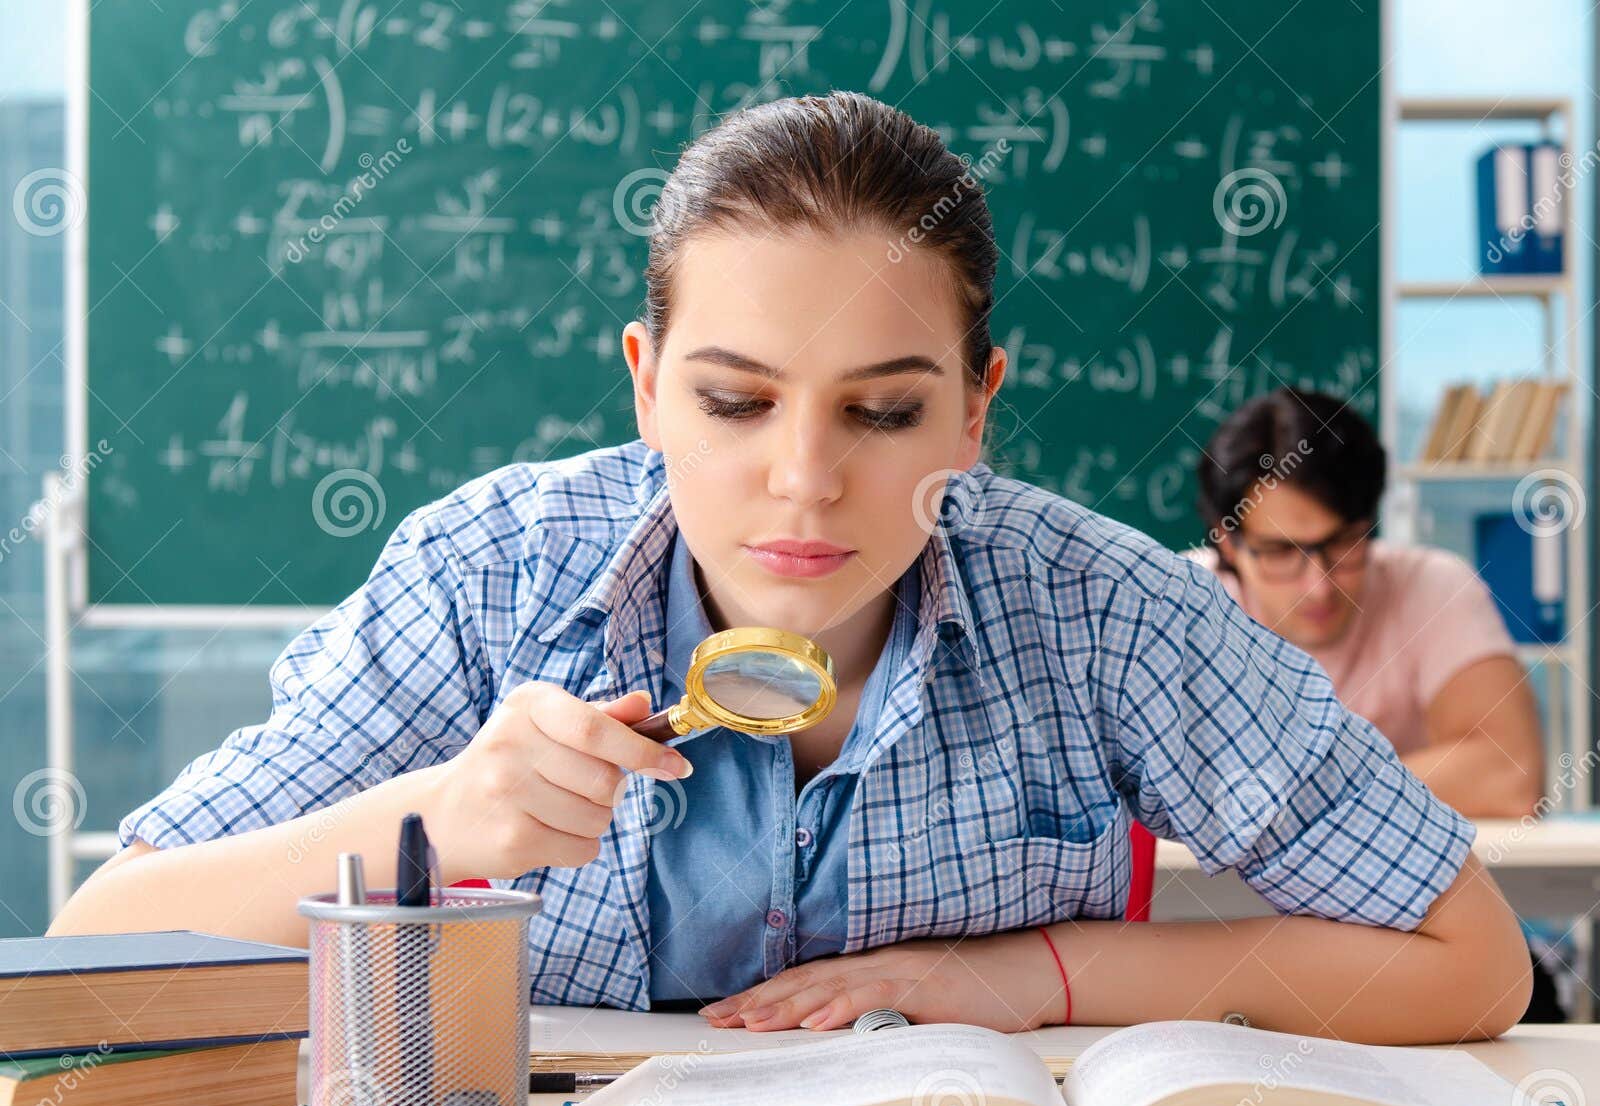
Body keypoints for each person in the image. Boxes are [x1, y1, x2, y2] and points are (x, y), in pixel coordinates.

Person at [52, 93, 1531, 1046]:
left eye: (886, 411)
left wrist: (1030, 976)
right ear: (644, 386)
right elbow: (97, 941)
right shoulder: (483, 577)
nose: (806, 479)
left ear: (977, 402)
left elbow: (1473, 958)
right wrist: (432, 815)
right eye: (734, 399)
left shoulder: (1101, 607)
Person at [1190, 386, 1561, 1019]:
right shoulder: (1183, 604)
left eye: (1344, 543)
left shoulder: (1432, 584)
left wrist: (1269, 794)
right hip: (1232, 951)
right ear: (1228, 544)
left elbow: (1508, 775)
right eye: (1282, 552)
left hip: (1425, 938)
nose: (1320, 583)